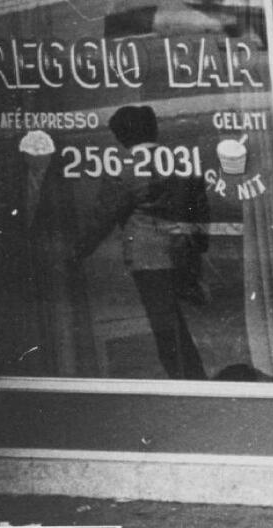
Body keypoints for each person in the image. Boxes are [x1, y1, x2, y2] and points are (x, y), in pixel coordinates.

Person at [74, 105, 208, 380]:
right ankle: (195, 380)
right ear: (154, 129)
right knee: (183, 324)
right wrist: (197, 243)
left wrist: (77, 252)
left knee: (166, 329)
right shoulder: (182, 163)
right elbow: (200, 209)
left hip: (148, 258)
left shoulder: (124, 171)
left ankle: (188, 384)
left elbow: (103, 217)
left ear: (121, 138)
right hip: (184, 251)